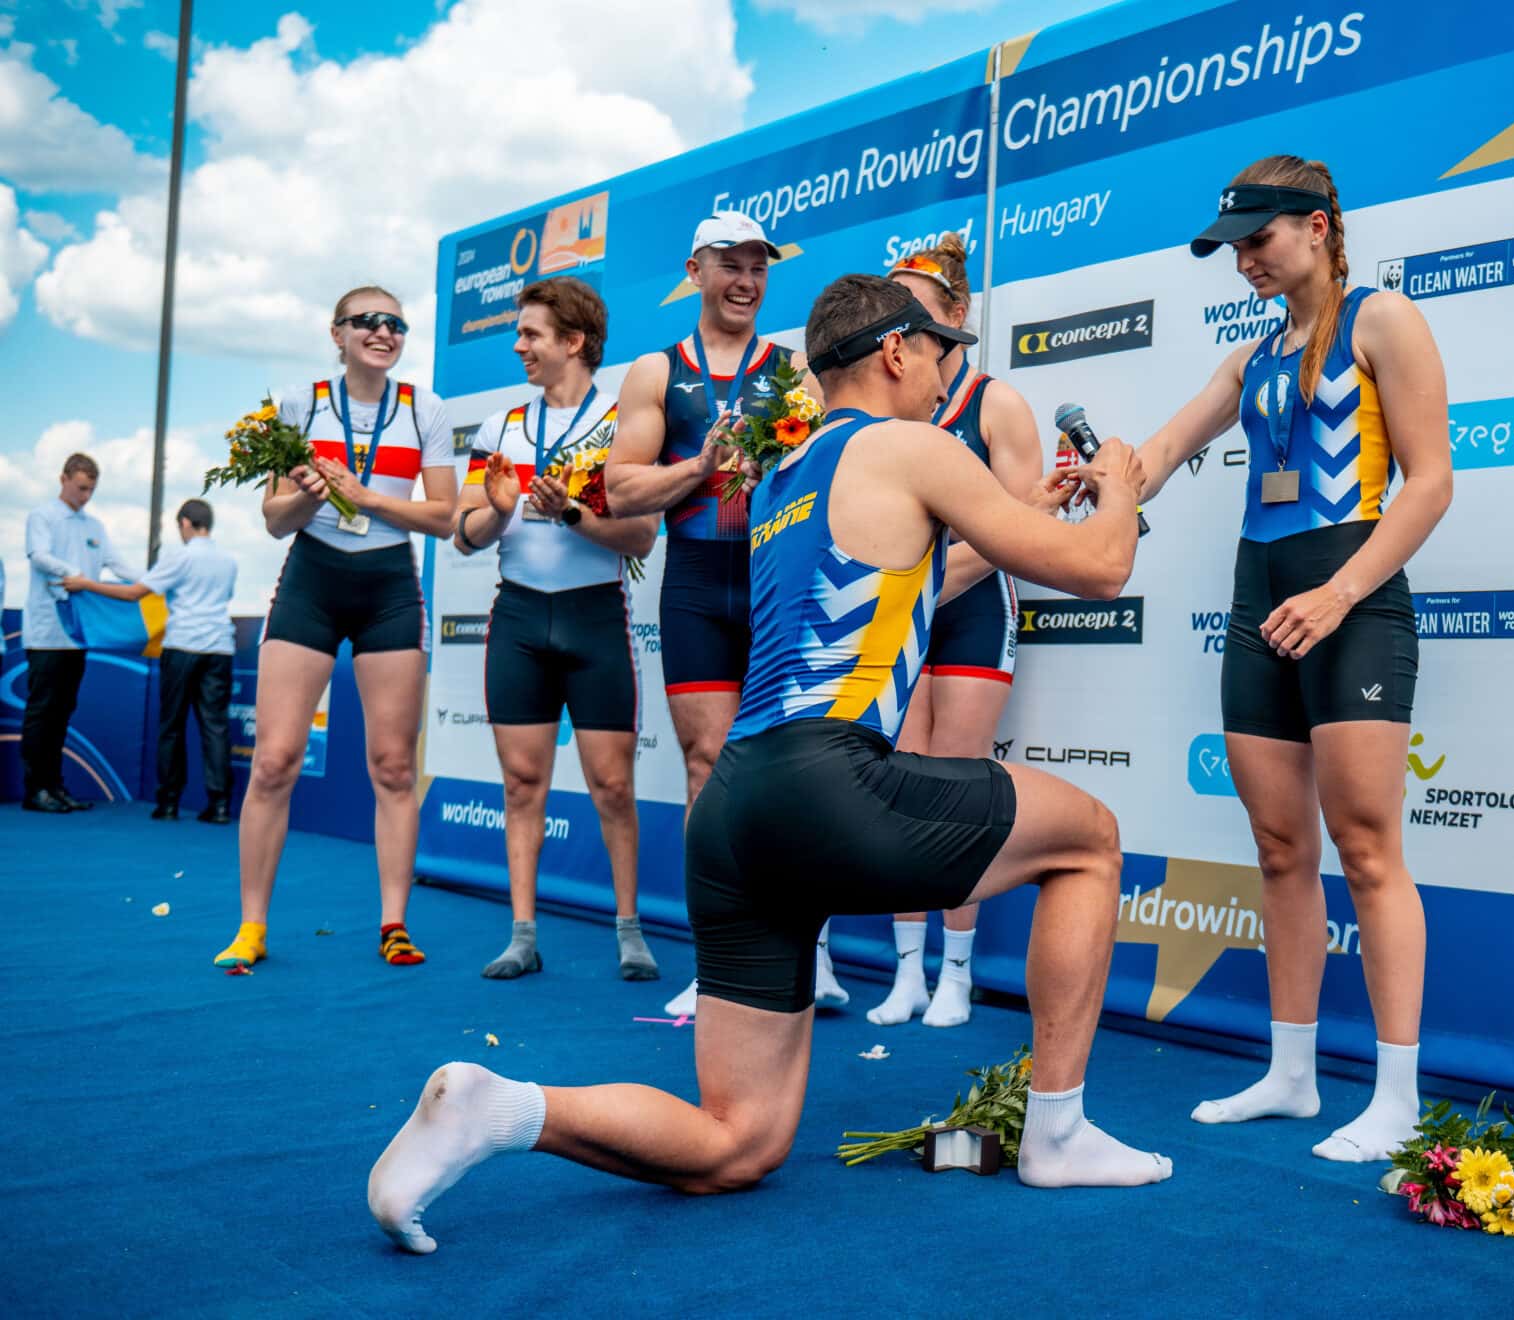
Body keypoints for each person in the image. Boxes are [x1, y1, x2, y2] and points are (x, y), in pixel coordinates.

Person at [367, 274, 1168, 1253]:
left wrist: (1016, 519)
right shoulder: (914, 445)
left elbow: (901, 584)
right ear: (895, 354)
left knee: (738, 1145)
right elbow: (1101, 568)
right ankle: (1058, 1134)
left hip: (737, 811)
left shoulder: (786, 476)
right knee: (1089, 840)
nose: (949, 372)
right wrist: (1120, 488)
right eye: (942, 352)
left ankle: (503, 1109)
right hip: (829, 785)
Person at [1134, 157, 1453, 1161]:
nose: (1243, 263)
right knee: (1279, 851)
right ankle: (1292, 1074)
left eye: (1258, 240)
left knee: (1366, 850)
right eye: (1233, 248)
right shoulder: (1254, 354)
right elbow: (1160, 452)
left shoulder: (1382, 320)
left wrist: (1339, 591)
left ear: (1318, 226)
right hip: (1258, 600)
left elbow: (1431, 482)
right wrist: (1092, 481)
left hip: (1347, 604)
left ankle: (1396, 1096)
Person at [604, 211, 845, 1016]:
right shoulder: (654, 372)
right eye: (730, 265)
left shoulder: (798, 368)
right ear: (695, 270)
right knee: (707, 766)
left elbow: (834, 472)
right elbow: (620, 488)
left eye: (758, 267)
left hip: (779, 578)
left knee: (795, 761)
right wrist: (702, 466)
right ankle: (718, 961)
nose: (745, 280)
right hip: (701, 581)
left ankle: (810, 948)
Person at [212, 285, 458, 970]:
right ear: (337, 332)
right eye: (368, 322)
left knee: (392, 765)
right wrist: (306, 496)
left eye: (396, 324)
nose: (384, 332)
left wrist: (366, 495)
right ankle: (251, 927)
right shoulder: (300, 404)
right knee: (274, 760)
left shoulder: (423, 408)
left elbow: (443, 516)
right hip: (312, 580)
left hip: (388, 587)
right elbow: (274, 519)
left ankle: (394, 924)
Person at [453, 277, 662, 981]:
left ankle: (630, 931)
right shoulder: (501, 426)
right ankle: (521, 935)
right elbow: (465, 535)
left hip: (593, 615)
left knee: (611, 786)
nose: (518, 346)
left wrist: (573, 512)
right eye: (518, 333)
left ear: (573, 342)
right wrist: (498, 508)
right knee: (520, 784)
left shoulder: (621, 424)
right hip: (518, 617)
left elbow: (640, 539)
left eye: (531, 334)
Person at [866, 237, 1041, 1029]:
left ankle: (958, 974)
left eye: (918, 301)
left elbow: (1024, 519)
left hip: (971, 610)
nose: (901, 316)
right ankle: (906, 971)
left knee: (959, 790)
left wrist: (933, 581)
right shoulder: (884, 405)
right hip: (901, 616)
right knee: (900, 787)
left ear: (958, 313)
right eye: (891, 300)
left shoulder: (993, 401)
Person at [64, 498, 239, 822]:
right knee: (214, 727)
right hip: (220, 648)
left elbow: (135, 593)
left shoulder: (180, 557)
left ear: (185, 523)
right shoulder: (229, 561)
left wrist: (87, 584)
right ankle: (220, 805)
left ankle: (169, 802)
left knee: (171, 726)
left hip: (183, 645)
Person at [21, 452, 140, 814]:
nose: (86, 495)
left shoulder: (95, 526)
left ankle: (56, 787)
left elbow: (118, 564)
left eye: (91, 490)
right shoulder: (42, 516)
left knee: (63, 711)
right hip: (45, 633)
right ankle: (36, 789)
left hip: (78, 635)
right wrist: (75, 574)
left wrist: (150, 583)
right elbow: (38, 555)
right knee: (42, 711)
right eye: (81, 488)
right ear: (64, 479)